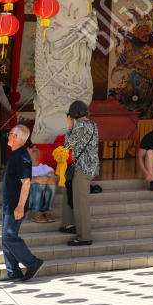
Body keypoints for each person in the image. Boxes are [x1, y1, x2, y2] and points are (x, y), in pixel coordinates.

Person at [0, 125, 42, 282]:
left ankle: (33, 262)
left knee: (9, 236)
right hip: (9, 203)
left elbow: (26, 183)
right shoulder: (16, 154)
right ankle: (13, 271)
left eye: (10, 134)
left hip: (16, 204)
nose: (8, 137)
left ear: (15, 137)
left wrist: (20, 206)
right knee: (5, 238)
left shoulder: (22, 155)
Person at [60, 100, 98, 246]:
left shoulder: (80, 126)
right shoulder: (93, 125)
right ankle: (72, 225)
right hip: (90, 167)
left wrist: (70, 127)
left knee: (81, 204)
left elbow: (68, 145)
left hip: (82, 168)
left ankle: (84, 236)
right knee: (77, 199)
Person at [25, 149, 58, 222]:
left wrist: (48, 179)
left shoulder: (45, 167)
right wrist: (37, 180)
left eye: (37, 147)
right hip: (28, 198)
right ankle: (35, 212)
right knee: (37, 184)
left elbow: (53, 178)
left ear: (39, 154)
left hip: (43, 196)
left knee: (52, 184)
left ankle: (47, 212)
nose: (34, 148)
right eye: (31, 147)